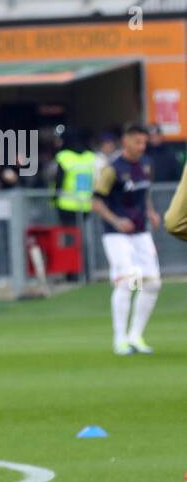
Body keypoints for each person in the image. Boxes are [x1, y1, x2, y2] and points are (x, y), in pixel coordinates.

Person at [91, 123, 161, 355]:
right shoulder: (112, 169)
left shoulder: (146, 165)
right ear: (126, 142)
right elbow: (96, 202)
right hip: (117, 235)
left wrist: (150, 211)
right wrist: (116, 220)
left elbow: (144, 193)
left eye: (144, 142)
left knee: (152, 283)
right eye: (138, 142)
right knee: (128, 281)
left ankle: (136, 336)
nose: (142, 146)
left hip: (141, 232)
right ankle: (120, 339)